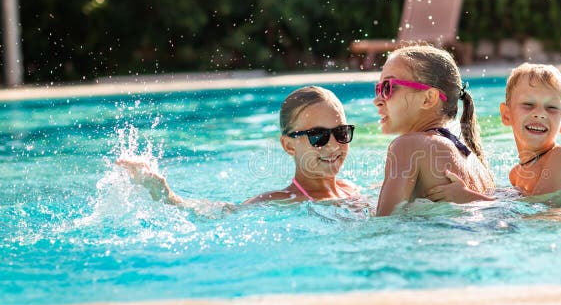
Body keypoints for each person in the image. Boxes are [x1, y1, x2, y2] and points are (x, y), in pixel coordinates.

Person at [118, 86, 359, 207]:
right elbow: (219, 215)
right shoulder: (282, 200)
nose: (333, 146)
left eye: (340, 133)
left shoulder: (352, 191)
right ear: (289, 146)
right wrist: (166, 195)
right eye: (318, 136)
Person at [427, 63, 561, 203]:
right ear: (506, 115)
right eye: (528, 104)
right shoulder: (515, 175)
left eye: (552, 108)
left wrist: (467, 197)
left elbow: (540, 209)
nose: (540, 114)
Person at [373, 44, 494, 216]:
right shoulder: (472, 157)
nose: (377, 100)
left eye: (388, 87)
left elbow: (382, 225)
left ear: (428, 98)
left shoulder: (408, 145)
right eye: (378, 89)